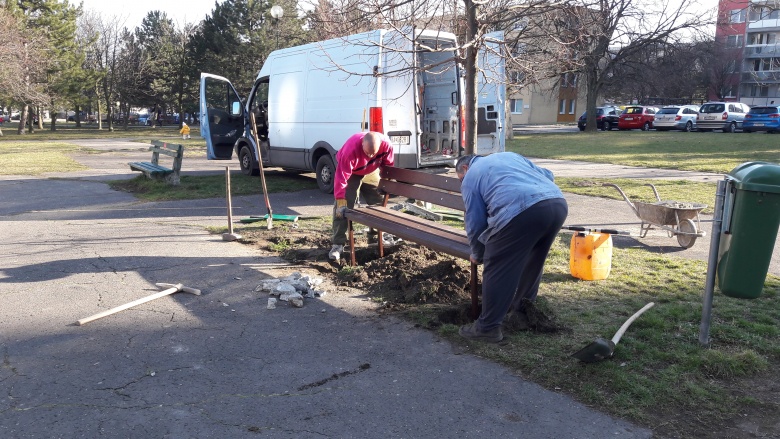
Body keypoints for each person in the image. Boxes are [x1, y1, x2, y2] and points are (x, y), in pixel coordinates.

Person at [455, 152, 568, 343]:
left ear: (465, 168)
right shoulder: (509, 156)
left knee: (496, 263)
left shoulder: (471, 176)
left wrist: (478, 253)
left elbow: (475, 222)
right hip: (556, 204)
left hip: (522, 212)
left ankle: (487, 328)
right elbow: (548, 175)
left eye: (460, 179)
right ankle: (522, 314)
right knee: (533, 260)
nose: (461, 183)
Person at [329, 131, 395, 261]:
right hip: (351, 172)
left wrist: (385, 183)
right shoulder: (350, 151)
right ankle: (338, 243)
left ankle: (375, 237)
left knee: (377, 202)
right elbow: (341, 179)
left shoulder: (386, 145)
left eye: (373, 153)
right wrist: (340, 199)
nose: (370, 155)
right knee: (343, 207)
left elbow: (388, 166)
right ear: (362, 144)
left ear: (380, 146)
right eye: (367, 153)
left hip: (371, 169)